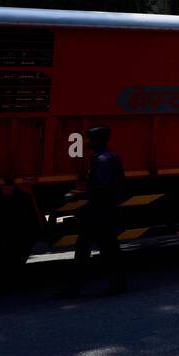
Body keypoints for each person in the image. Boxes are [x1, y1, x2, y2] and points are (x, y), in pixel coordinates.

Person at [58, 126, 128, 298]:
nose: (87, 142)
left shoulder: (102, 160)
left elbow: (103, 188)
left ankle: (74, 288)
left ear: (98, 140)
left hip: (100, 211)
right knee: (109, 249)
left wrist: (79, 196)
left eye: (89, 139)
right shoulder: (110, 157)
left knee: (85, 248)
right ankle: (116, 285)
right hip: (106, 210)